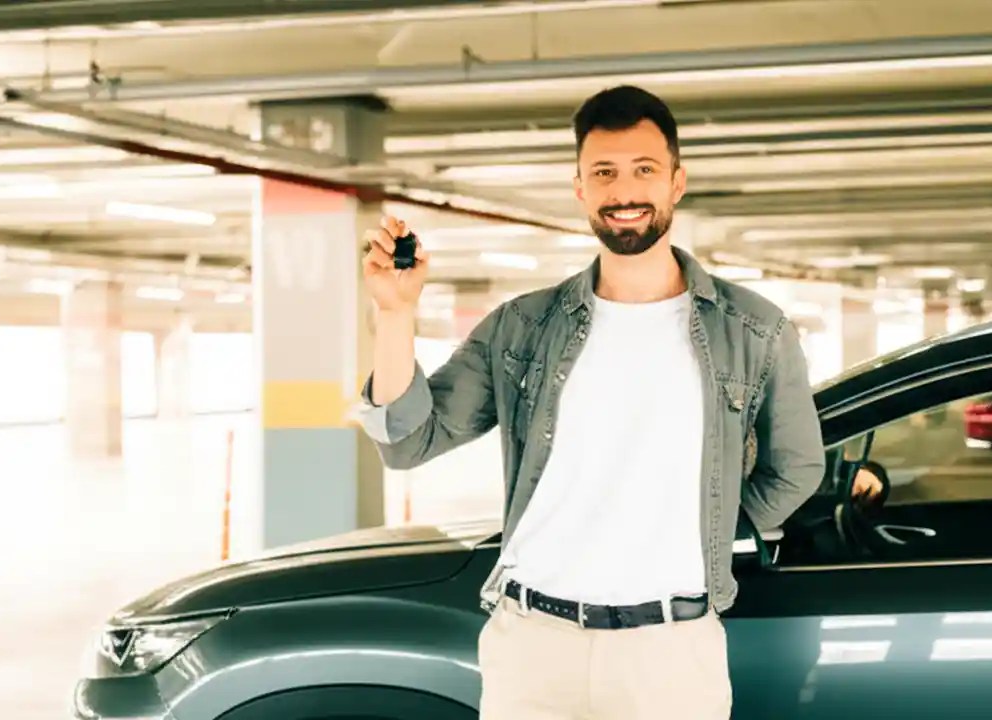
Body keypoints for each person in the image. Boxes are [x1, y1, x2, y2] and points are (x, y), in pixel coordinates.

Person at [357, 85, 837, 719]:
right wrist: (395, 314)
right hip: (534, 648)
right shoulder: (522, 327)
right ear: (580, 188)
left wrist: (711, 524)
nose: (624, 191)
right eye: (604, 173)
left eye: (644, 170)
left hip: (670, 653)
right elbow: (407, 441)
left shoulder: (754, 331)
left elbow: (797, 466)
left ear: (677, 182)